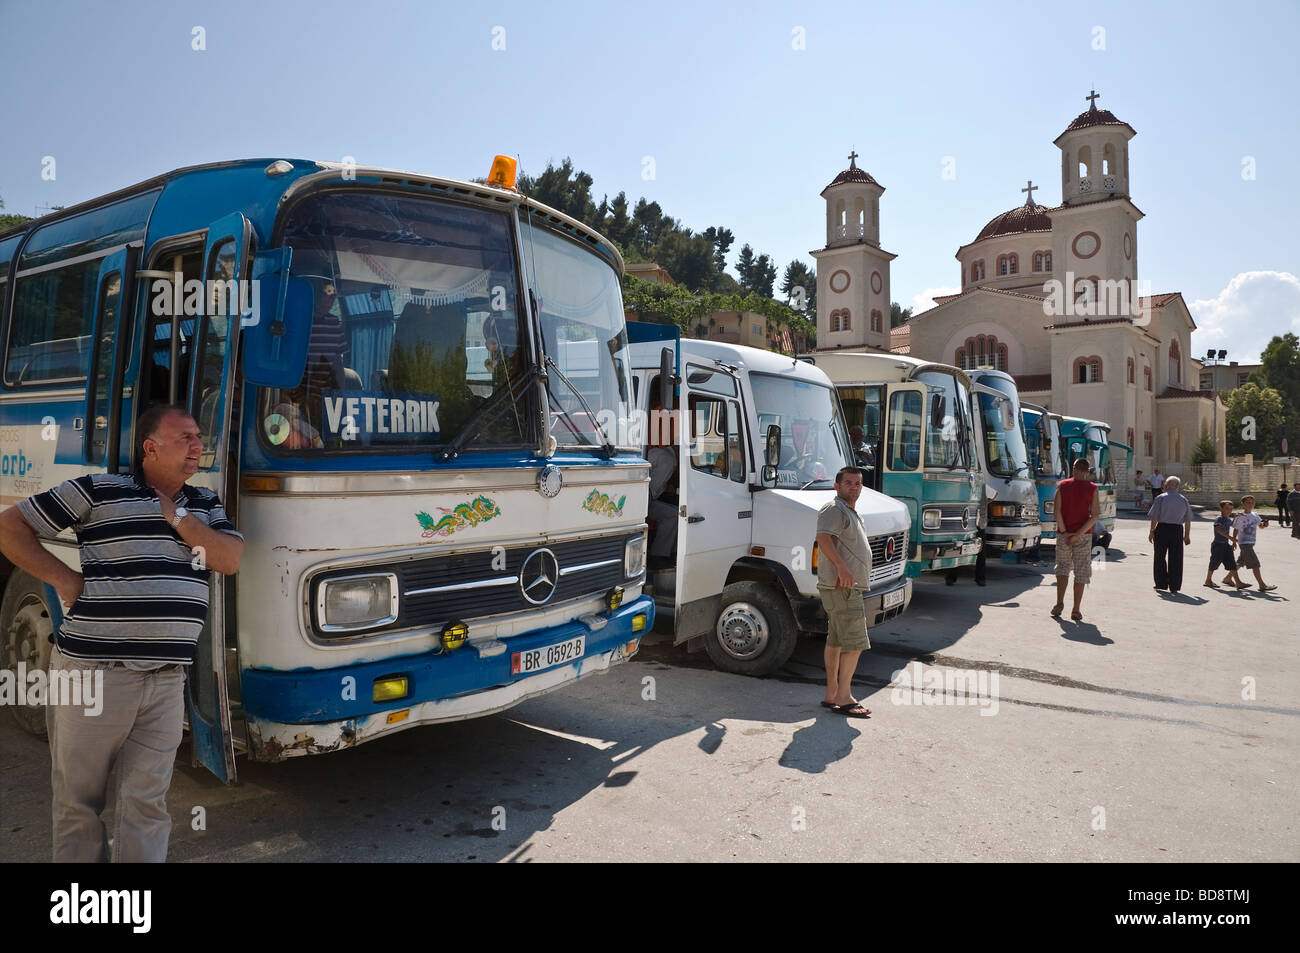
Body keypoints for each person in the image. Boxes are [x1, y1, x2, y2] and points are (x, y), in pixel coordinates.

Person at [0, 405, 244, 862]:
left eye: (198, 437)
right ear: (150, 448)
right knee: (80, 804)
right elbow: (10, 527)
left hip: (167, 679)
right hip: (95, 674)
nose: (198, 445)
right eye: (185, 437)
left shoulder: (205, 504)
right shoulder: (99, 489)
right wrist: (63, 578)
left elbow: (229, 559)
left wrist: (178, 520)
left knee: (147, 805)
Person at [815, 467, 873, 718]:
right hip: (844, 587)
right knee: (854, 643)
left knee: (837, 640)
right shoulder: (834, 509)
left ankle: (832, 693)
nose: (854, 487)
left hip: (842, 587)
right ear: (836, 486)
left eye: (858, 483)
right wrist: (842, 568)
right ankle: (844, 696)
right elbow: (823, 538)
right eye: (848, 483)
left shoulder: (848, 511)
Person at [1051, 457, 1100, 620]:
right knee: (1081, 571)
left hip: (1063, 534)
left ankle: (1059, 603)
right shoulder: (1093, 488)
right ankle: (1076, 609)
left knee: (1062, 568)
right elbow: (1095, 515)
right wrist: (1078, 534)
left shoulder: (1062, 486)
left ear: (1074, 469)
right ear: (1087, 472)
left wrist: (1065, 533)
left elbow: (1056, 511)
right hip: (1083, 536)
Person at [1148, 474, 1193, 594]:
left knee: (1159, 556)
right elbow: (1188, 520)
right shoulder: (1183, 499)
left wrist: (1152, 531)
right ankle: (1175, 585)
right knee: (1176, 558)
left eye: (1166, 483)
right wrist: (1187, 535)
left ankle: (1161, 583)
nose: (1165, 485)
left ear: (1167, 485)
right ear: (1177, 486)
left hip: (1162, 528)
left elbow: (1154, 517)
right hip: (1177, 530)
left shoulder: (1161, 498)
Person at [1232, 496, 1277, 592]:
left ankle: (1227, 578)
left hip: (1251, 542)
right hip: (1244, 543)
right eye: (1248, 502)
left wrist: (1265, 525)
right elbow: (1235, 529)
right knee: (1255, 563)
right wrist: (1233, 541)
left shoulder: (1255, 515)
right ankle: (1262, 585)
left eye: (1252, 502)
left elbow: (1260, 526)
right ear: (1242, 504)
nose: (1250, 504)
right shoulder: (1240, 516)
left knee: (1241, 562)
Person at [1204, 500, 1247, 590]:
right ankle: (1208, 580)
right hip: (1218, 545)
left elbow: (1233, 525)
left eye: (1231, 509)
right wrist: (1231, 538)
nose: (1229, 511)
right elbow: (1218, 530)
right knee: (1214, 563)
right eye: (1227, 508)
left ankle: (1238, 582)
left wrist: (1236, 517)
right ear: (1221, 508)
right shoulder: (1219, 519)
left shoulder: (1227, 519)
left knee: (1231, 563)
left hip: (1226, 545)